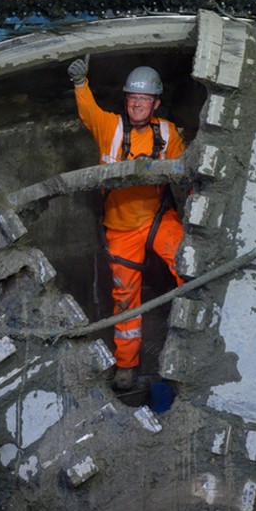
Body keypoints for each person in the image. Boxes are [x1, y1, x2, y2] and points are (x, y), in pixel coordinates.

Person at [67, 58, 186, 390]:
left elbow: (186, 170)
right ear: (126, 100)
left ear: (156, 104)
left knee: (190, 268)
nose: (137, 103)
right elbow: (88, 111)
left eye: (144, 99)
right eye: (133, 97)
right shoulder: (111, 128)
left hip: (157, 218)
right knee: (125, 297)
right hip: (120, 227)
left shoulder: (167, 133)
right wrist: (80, 82)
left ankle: (196, 347)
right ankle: (126, 366)